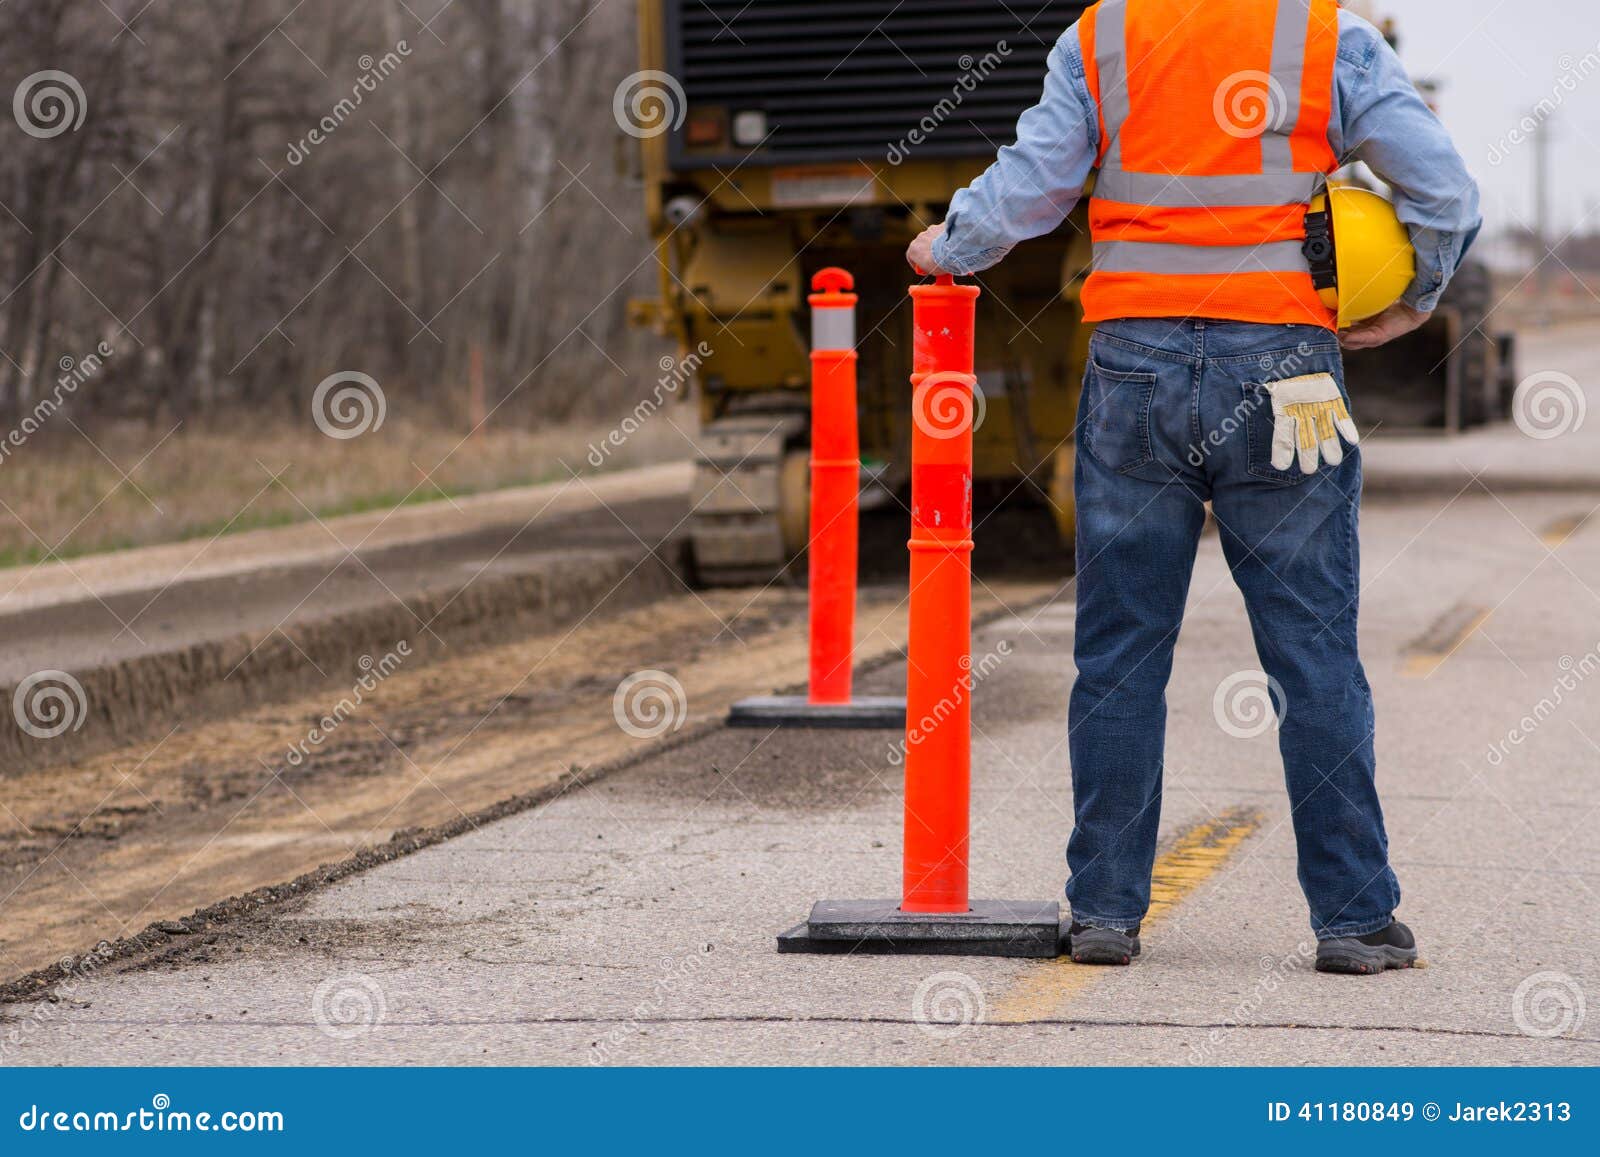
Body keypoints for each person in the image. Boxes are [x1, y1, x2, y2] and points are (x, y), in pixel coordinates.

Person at [906, 0, 1480, 974]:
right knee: (1313, 653)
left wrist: (949, 245)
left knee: (1120, 651)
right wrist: (1415, 296)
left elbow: (1033, 188)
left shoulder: (1103, 35)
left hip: (1136, 368)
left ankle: (1104, 910)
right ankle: (1352, 918)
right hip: (1285, 370)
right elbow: (1446, 192)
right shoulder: (1322, 35)